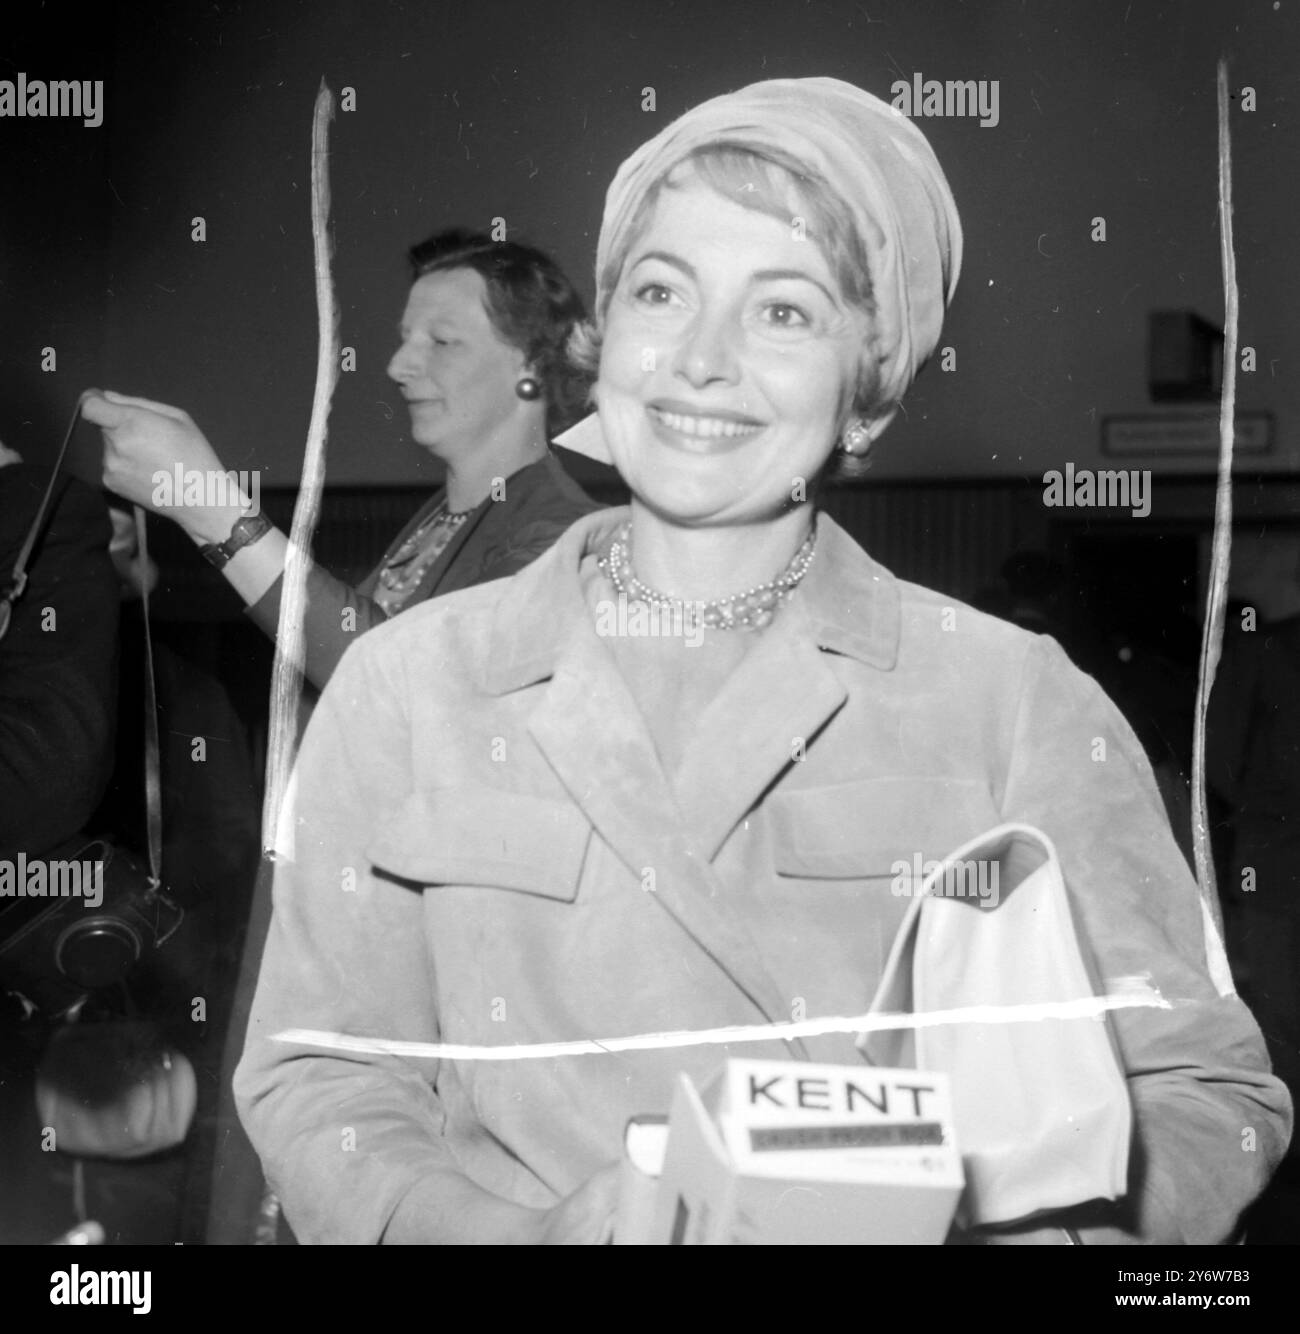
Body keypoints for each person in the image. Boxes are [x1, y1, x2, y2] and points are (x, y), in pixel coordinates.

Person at [235, 78, 1290, 1245]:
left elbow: (1206, 1094)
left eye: (781, 312)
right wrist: (507, 1234)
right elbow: (323, 1080)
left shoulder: (1011, 700)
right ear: (606, 341)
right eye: (660, 291)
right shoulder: (409, 685)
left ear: (868, 390)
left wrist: (1062, 1234)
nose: (700, 360)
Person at [81, 230, 606, 691]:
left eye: (442, 341)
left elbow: (412, 687)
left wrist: (211, 506)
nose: (399, 366)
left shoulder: (564, 534)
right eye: (405, 341)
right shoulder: (443, 518)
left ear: (532, 365)